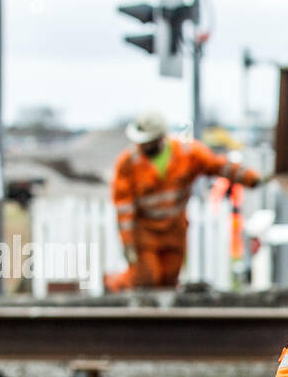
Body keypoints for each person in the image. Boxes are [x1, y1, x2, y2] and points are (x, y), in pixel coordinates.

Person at [106, 111, 263, 292]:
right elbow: (123, 209)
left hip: (174, 229)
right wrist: (128, 244)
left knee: (168, 280)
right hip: (146, 232)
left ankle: (161, 318)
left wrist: (249, 178)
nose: (143, 145)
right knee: (146, 277)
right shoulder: (128, 164)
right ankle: (112, 284)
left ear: (159, 137)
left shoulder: (187, 154)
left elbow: (217, 165)